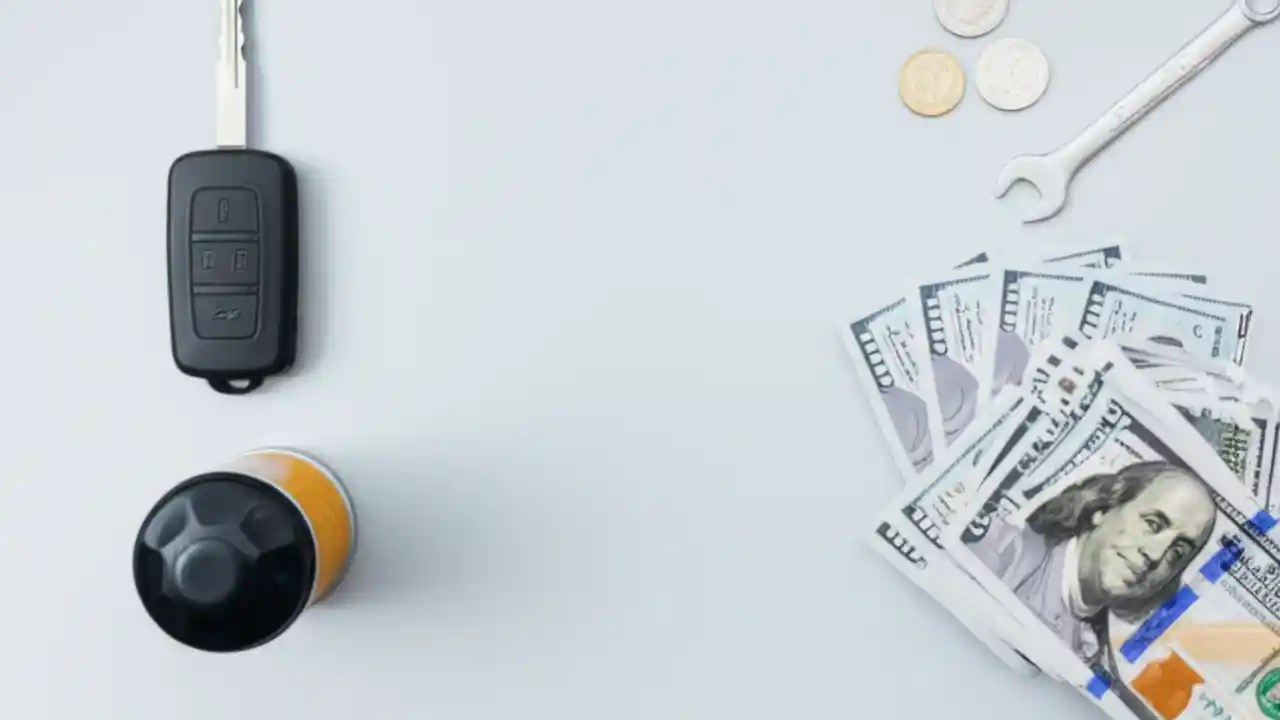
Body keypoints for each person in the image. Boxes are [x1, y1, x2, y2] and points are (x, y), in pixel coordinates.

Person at [970, 460, 1216, 711]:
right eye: (1153, 524)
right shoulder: (999, 551)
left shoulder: (1100, 660)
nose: (1155, 555)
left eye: (1177, 552)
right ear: (1104, 508)